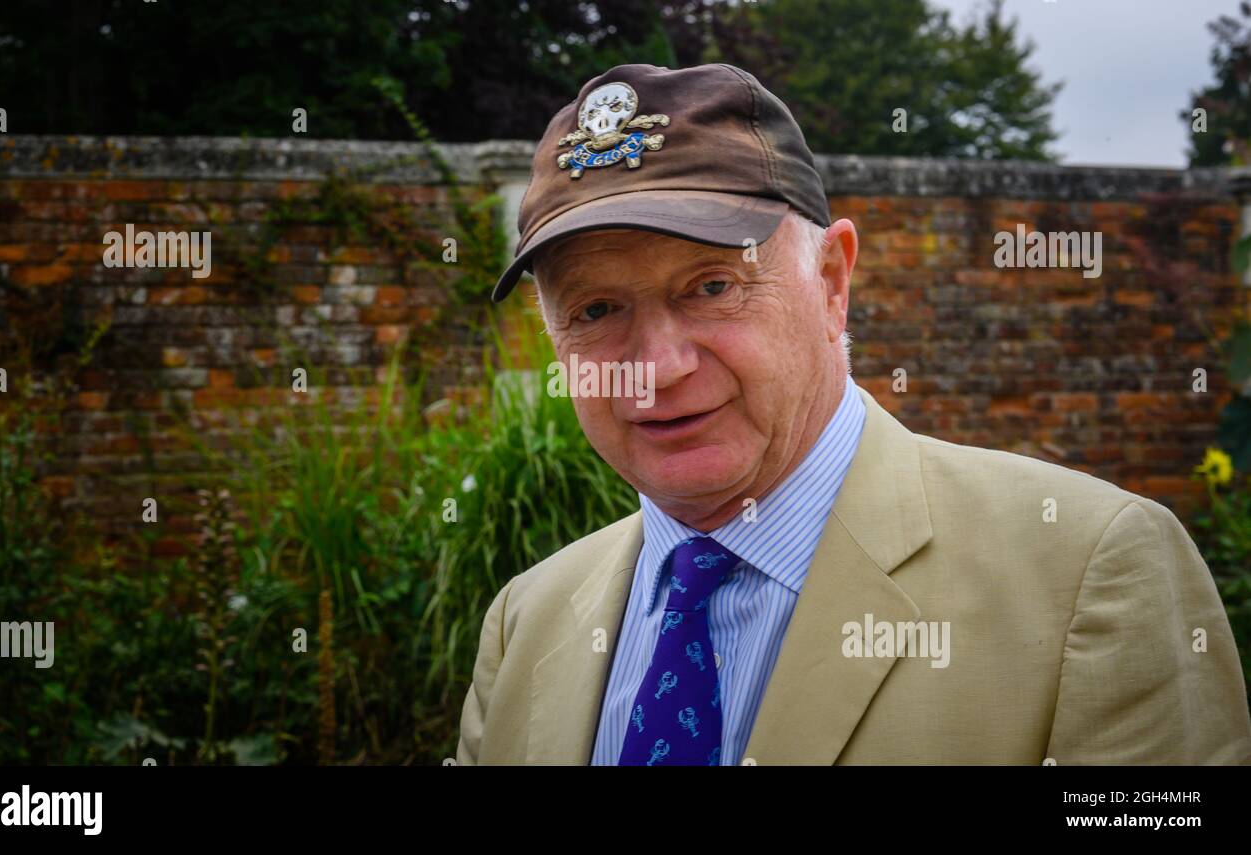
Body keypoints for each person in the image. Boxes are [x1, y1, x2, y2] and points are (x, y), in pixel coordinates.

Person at [456, 62, 1251, 765]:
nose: (658, 369)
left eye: (711, 286)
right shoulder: (525, 621)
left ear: (832, 282)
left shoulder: (1093, 575)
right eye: (597, 309)